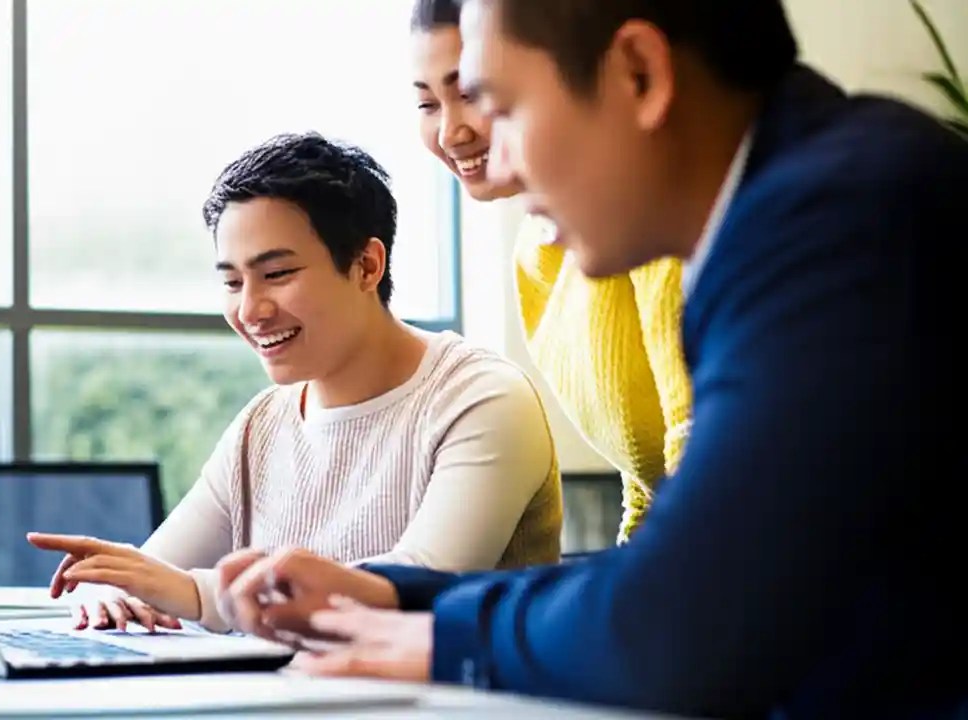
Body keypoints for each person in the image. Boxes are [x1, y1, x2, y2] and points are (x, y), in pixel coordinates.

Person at [217, 1, 964, 716]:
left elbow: (687, 621)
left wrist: (440, 637)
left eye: (502, 108)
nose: (495, 157)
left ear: (638, 73)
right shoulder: (790, 209)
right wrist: (403, 599)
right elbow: (689, 566)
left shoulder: (840, 220)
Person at [27, 131, 563, 635]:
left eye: (277, 274)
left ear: (366, 266)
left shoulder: (483, 399)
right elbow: (152, 572)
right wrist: (106, 592)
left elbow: (418, 586)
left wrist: (196, 594)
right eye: (233, 282)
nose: (251, 309)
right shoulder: (262, 424)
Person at [411, 0, 691, 543]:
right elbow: (647, 485)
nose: (450, 132)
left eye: (472, 93)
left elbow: (702, 472)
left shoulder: (655, 221)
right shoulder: (536, 254)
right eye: (427, 103)